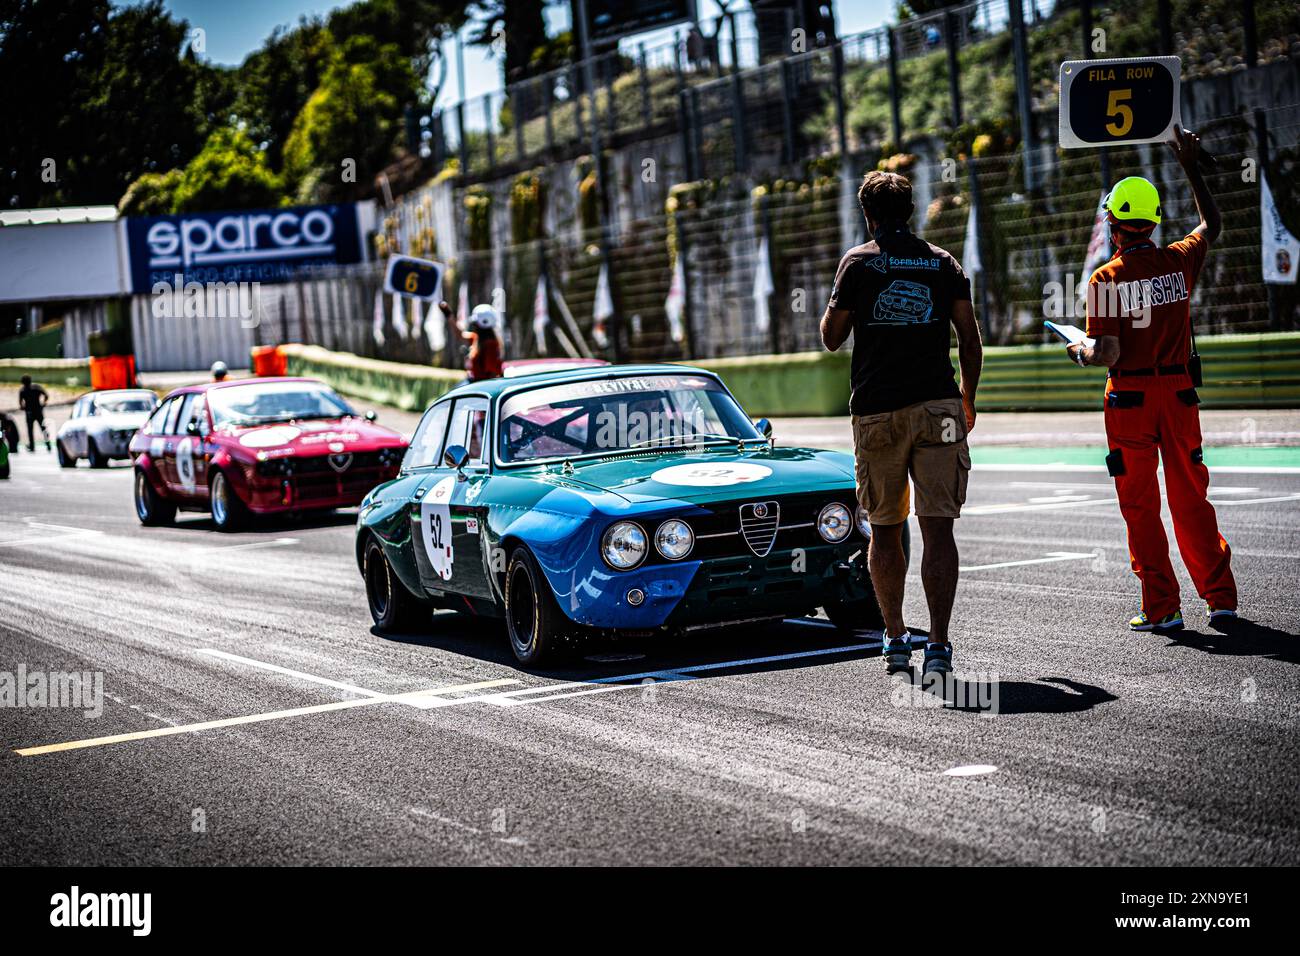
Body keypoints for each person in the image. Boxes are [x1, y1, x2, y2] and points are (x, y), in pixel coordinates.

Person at [1069, 126, 1237, 633]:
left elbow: (1108, 352)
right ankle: (1220, 598)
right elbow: (1213, 223)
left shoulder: (1104, 279)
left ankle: (1162, 608)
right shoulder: (1180, 260)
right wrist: (1189, 164)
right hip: (1180, 394)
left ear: (1115, 227)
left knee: (1140, 506)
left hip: (1131, 401)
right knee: (1191, 497)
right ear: (1152, 222)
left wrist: (1080, 351)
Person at [820, 171, 983, 677]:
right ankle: (938, 643)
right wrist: (968, 400)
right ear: (910, 211)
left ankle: (894, 638)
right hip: (939, 408)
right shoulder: (942, 262)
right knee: (939, 531)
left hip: (877, 412)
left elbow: (830, 337)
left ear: (867, 214)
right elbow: (971, 339)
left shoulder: (858, 262)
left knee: (884, 532)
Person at [440, 301, 504, 382]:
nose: (474, 326)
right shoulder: (476, 338)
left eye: (475, 323)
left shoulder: (490, 345)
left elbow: (493, 374)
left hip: (482, 387)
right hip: (476, 384)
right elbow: (459, 334)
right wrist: (448, 314)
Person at [17, 374, 50, 452]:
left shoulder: (23, 390)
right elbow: (46, 395)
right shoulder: (36, 387)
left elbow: (21, 403)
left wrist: (23, 407)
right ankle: (48, 444)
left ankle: (32, 446)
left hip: (29, 413)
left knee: (30, 430)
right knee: (43, 429)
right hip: (38, 411)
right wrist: (44, 403)